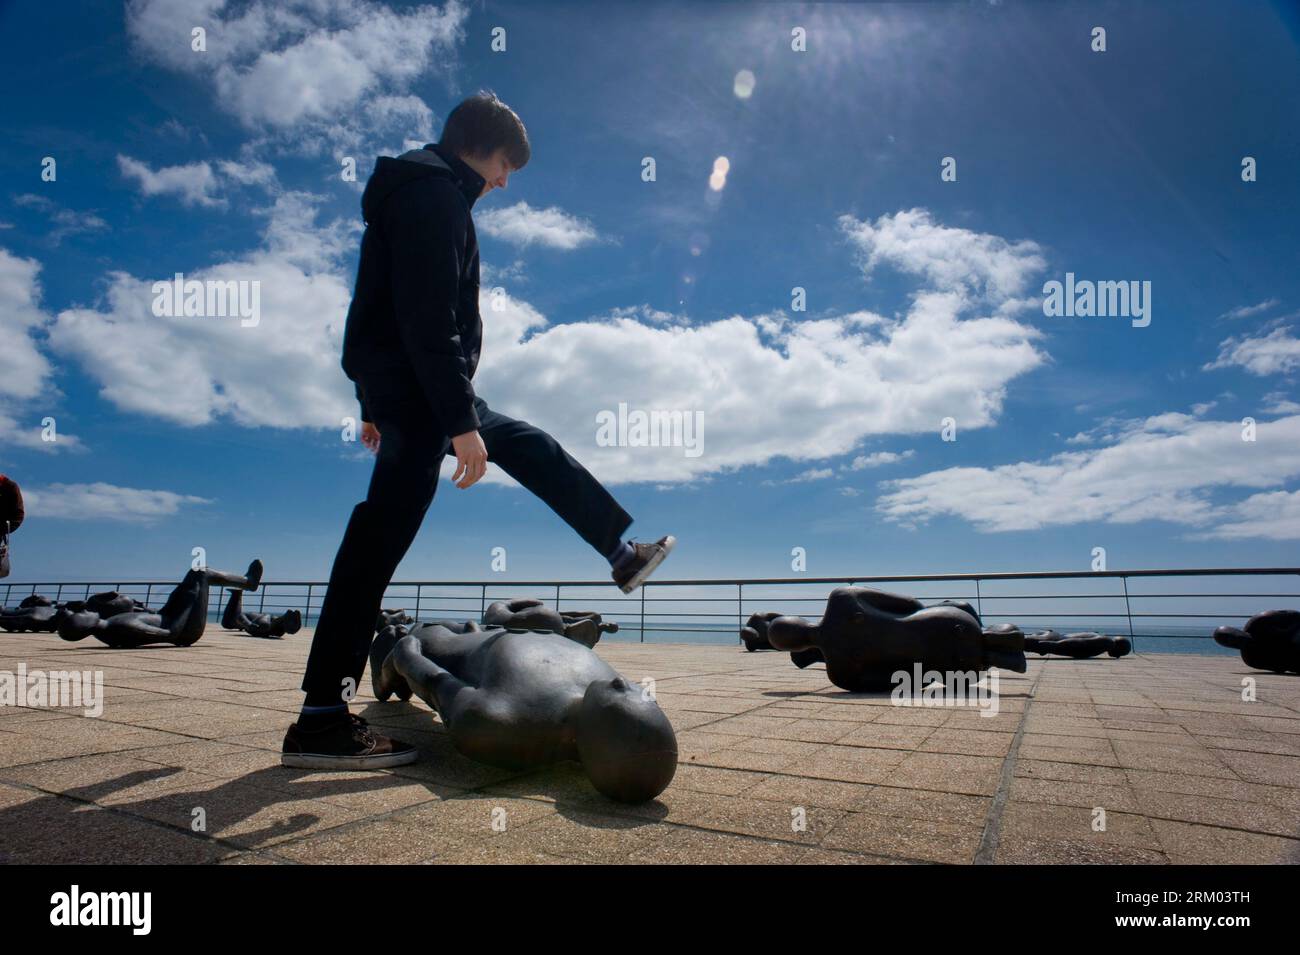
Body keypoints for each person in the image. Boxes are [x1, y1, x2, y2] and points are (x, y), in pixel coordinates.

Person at [288, 92, 675, 770]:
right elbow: (425, 319)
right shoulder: (432, 198)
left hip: (417, 391)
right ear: (477, 150)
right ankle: (321, 718)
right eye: (504, 166)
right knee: (376, 543)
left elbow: (369, 312)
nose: (504, 182)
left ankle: (619, 551)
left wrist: (369, 401)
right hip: (423, 393)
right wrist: (457, 422)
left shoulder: (424, 193)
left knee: (524, 444)